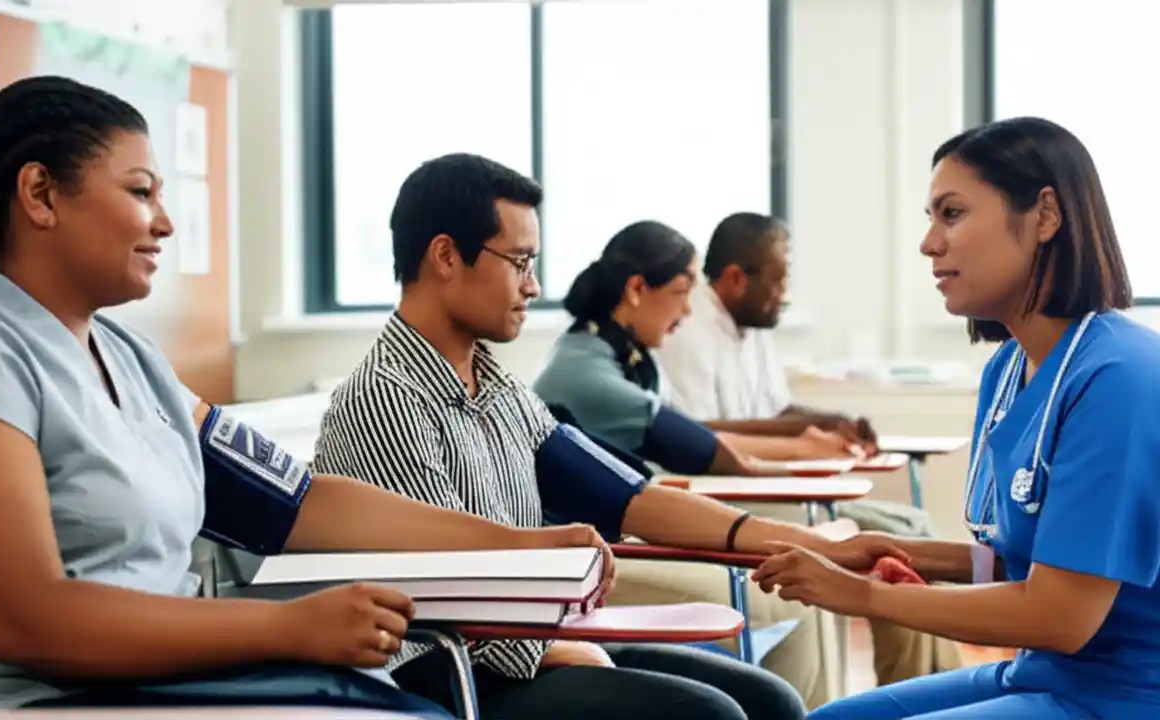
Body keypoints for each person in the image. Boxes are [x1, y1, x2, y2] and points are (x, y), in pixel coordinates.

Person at [0, 76, 610, 713]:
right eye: (140, 192)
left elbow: (297, 502)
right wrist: (288, 628)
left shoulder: (132, 360)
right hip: (1, 697)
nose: (165, 222)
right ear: (40, 194)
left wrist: (518, 544)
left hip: (132, 687)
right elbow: (23, 619)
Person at [311, 153, 907, 719]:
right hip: (449, 670)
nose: (534, 285)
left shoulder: (500, 391)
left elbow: (633, 497)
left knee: (770, 701)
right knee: (710, 715)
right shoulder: (383, 398)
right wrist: (556, 651)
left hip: (535, 642)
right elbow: (444, 589)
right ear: (445, 256)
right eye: (519, 261)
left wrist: (809, 546)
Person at [753, 116, 1160, 719]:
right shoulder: (1006, 373)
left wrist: (861, 596)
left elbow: (1060, 615)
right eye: (930, 218)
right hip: (1040, 675)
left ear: (1045, 216)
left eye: (952, 213)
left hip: (1123, 697)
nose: (928, 243)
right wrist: (900, 550)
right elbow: (1019, 559)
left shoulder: (1121, 377)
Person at [531, 221, 961, 688]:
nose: (686, 311)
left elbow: (688, 448)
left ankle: (930, 692)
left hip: (648, 514)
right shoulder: (587, 372)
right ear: (637, 290)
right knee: (801, 583)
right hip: (618, 538)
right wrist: (799, 456)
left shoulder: (626, 356)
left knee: (838, 560)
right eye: (680, 292)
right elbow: (699, 446)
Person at [656, 213, 877, 451]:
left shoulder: (754, 325)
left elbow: (777, 411)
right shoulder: (684, 329)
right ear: (736, 278)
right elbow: (696, 432)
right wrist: (808, 428)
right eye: (777, 280)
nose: (784, 294)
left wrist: (837, 425)